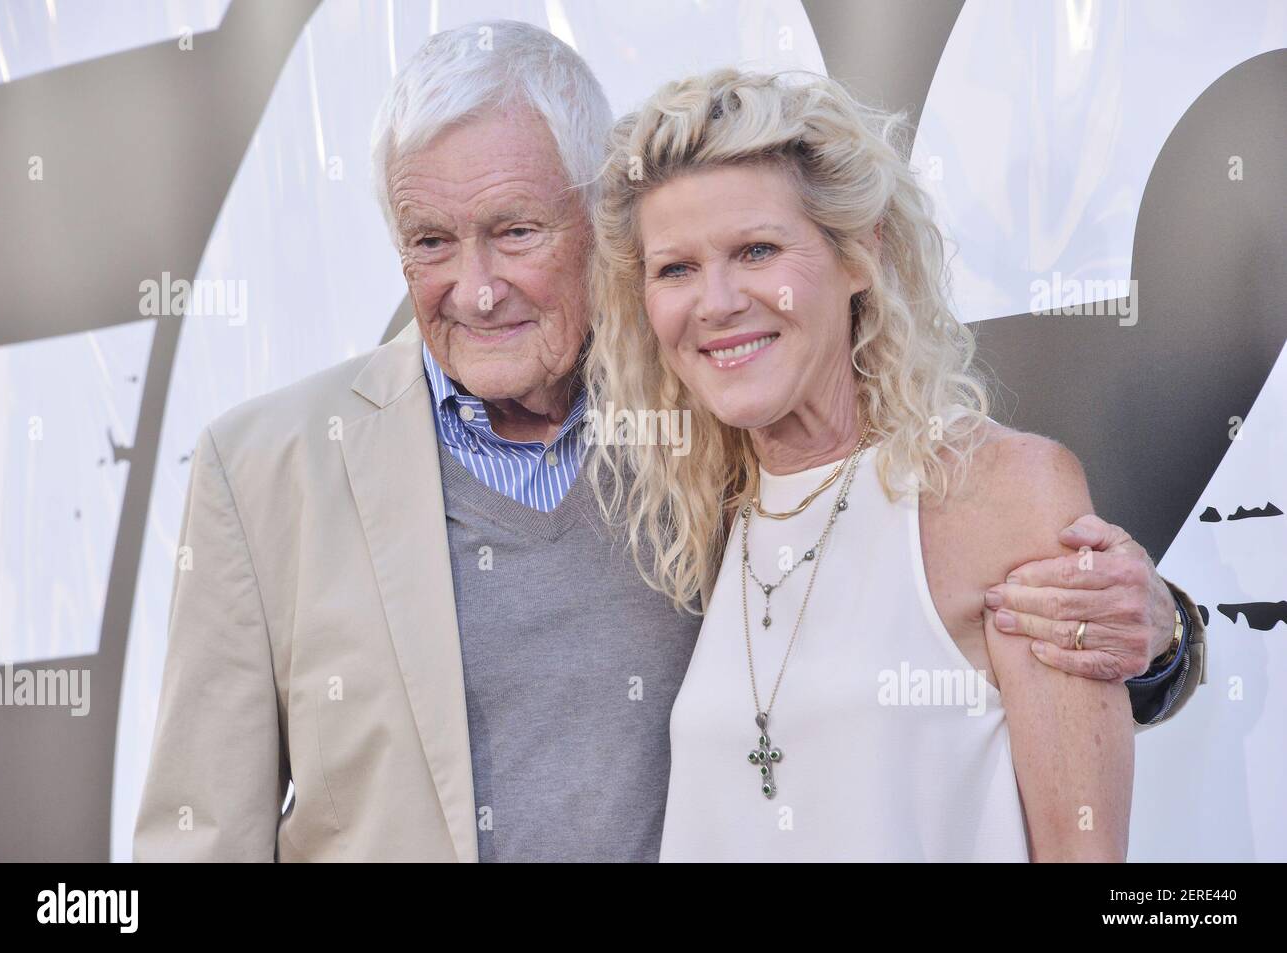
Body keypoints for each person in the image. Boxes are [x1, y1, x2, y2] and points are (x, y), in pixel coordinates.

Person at [134, 21, 1205, 863]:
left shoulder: (702, 433)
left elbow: (997, 636)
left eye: (515, 228)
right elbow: (202, 834)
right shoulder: (267, 469)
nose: (477, 285)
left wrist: (1159, 631)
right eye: (429, 242)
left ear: (594, 229)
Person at [585, 67, 1198, 861]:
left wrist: (1175, 629)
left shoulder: (997, 492)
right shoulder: (699, 517)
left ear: (858, 256)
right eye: (676, 269)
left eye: (757, 249)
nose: (717, 301)